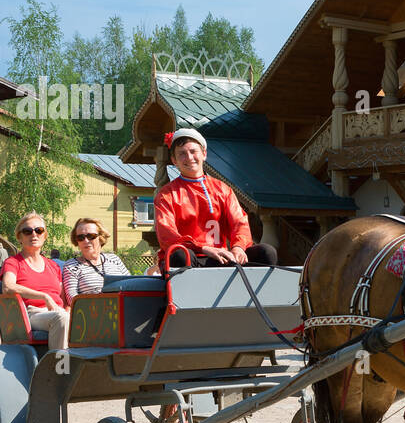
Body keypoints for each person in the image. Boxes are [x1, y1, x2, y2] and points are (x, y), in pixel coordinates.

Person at [154, 128, 277, 268]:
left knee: (267, 252)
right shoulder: (167, 194)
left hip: (220, 257)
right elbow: (167, 235)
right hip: (193, 257)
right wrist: (202, 248)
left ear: (204, 154)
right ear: (174, 160)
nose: (189, 157)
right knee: (180, 255)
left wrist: (238, 247)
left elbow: (239, 223)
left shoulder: (222, 189)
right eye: (182, 154)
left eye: (193, 151)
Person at [0, 212, 69, 351]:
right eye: (27, 231)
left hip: (58, 311)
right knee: (61, 318)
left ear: (45, 236)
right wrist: (44, 296)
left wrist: (69, 310)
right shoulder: (13, 262)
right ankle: (59, 368)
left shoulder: (53, 265)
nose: (34, 234)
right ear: (19, 237)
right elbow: (7, 287)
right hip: (32, 314)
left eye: (39, 230)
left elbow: (63, 296)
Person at [63, 218, 130, 303]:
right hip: (93, 311)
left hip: (122, 307)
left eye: (91, 236)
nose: (86, 241)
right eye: (81, 237)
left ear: (101, 237)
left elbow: (130, 284)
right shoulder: (72, 266)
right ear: (77, 241)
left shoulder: (114, 259)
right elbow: (72, 298)